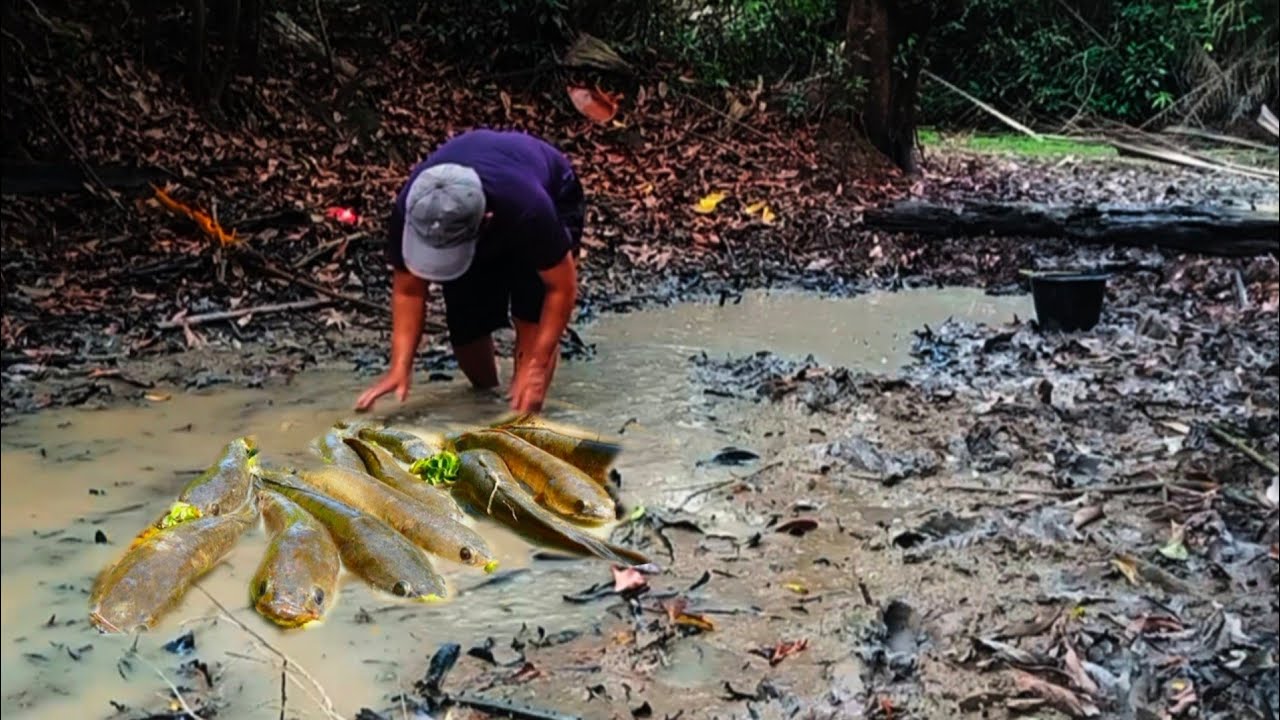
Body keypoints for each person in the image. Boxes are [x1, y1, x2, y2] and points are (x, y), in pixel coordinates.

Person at [354, 129, 584, 415]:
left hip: (547, 189)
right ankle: (487, 402)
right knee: (466, 327)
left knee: (530, 312)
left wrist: (537, 367)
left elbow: (560, 287)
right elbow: (409, 290)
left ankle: (523, 414)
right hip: (468, 212)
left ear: (485, 222)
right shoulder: (412, 207)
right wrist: (399, 368)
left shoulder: (531, 209)